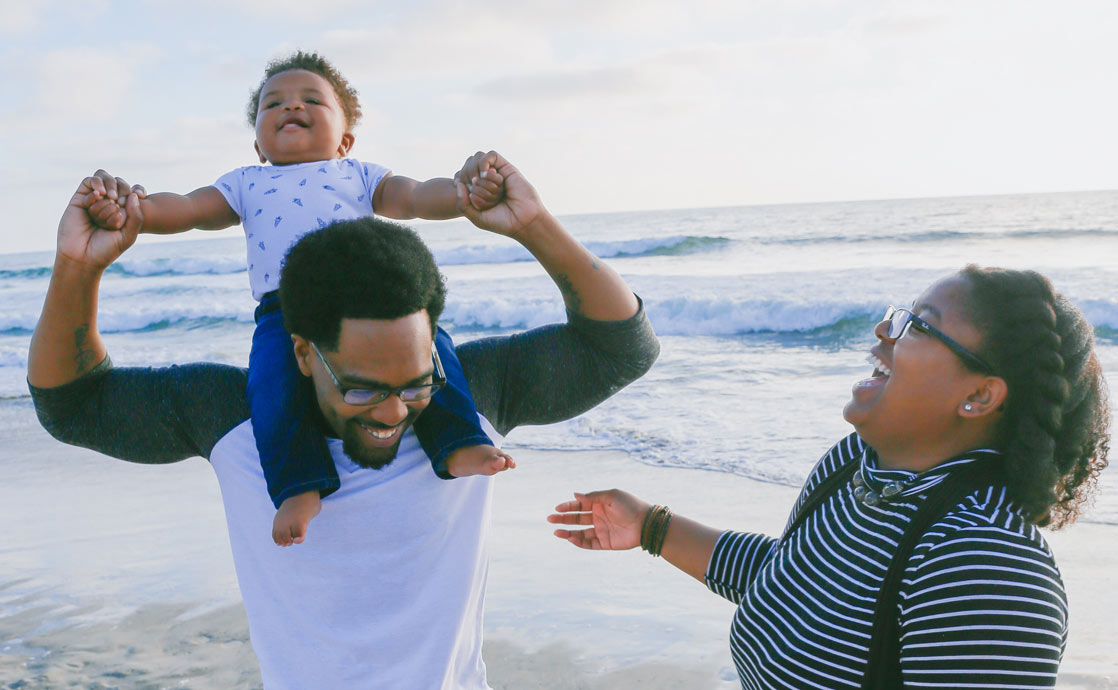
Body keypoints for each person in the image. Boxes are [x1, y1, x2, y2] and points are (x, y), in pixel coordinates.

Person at [29, 151, 660, 689]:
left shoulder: (468, 398)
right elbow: (74, 405)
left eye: (415, 384)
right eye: (361, 390)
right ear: (302, 351)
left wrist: (534, 225)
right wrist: (79, 269)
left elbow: (624, 347)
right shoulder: (235, 417)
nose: (393, 411)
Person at [549, 267, 1109, 688]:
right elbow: (796, 585)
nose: (884, 329)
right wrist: (650, 526)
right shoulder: (854, 467)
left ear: (979, 396)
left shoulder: (986, 567)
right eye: (902, 312)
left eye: (918, 325)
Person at [84, 50, 512, 546]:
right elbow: (187, 208)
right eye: (274, 104)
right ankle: (298, 485)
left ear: (345, 140)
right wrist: (132, 209)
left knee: (433, 350)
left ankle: (459, 442)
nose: (291, 108)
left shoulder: (360, 174)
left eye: (311, 100)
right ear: (258, 145)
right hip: (283, 311)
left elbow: (416, 196)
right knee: (271, 386)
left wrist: (463, 195)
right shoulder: (246, 182)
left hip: (367, 300)